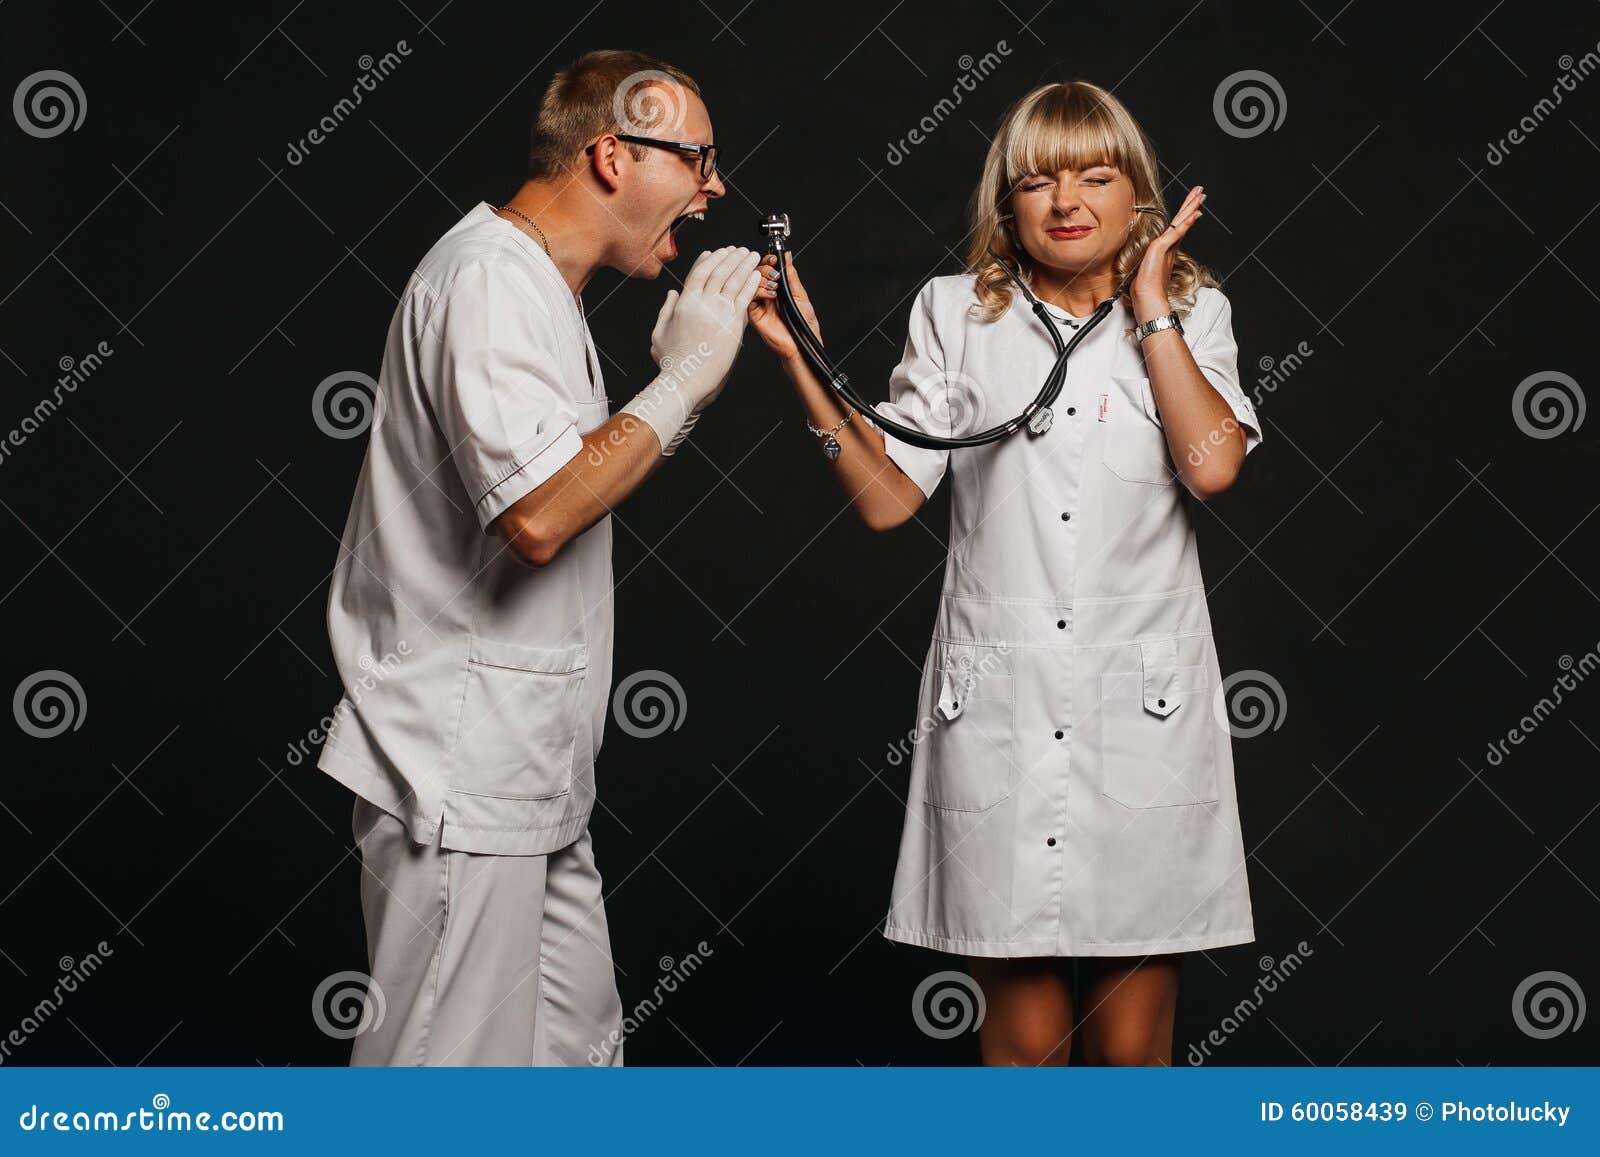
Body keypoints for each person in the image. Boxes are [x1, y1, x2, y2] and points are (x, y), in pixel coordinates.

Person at [751, 80, 1263, 1066]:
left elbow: (1212, 467)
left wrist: (1149, 308)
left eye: (1094, 176)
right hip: (1001, 720)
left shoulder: (1195, 311)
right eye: (1037, 180)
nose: (1066, 200)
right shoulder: (955, 313)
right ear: (1006, 200)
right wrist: (799, 363)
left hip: (1142, 728)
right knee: (1020, 1057)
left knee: (1131, 1058)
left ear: (1137, 194)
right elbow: (887, 496)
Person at [314, 49, 778, 1065]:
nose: (714, 189)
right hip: (460, 771)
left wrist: (680, 391)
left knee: (571, 1063)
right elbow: (535, 515)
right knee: (439, 1083)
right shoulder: (487, 280)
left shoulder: (534, 284)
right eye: (697, 160)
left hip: (530, 773)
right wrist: (683, 382)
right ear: (613, 154)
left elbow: (565, 476)